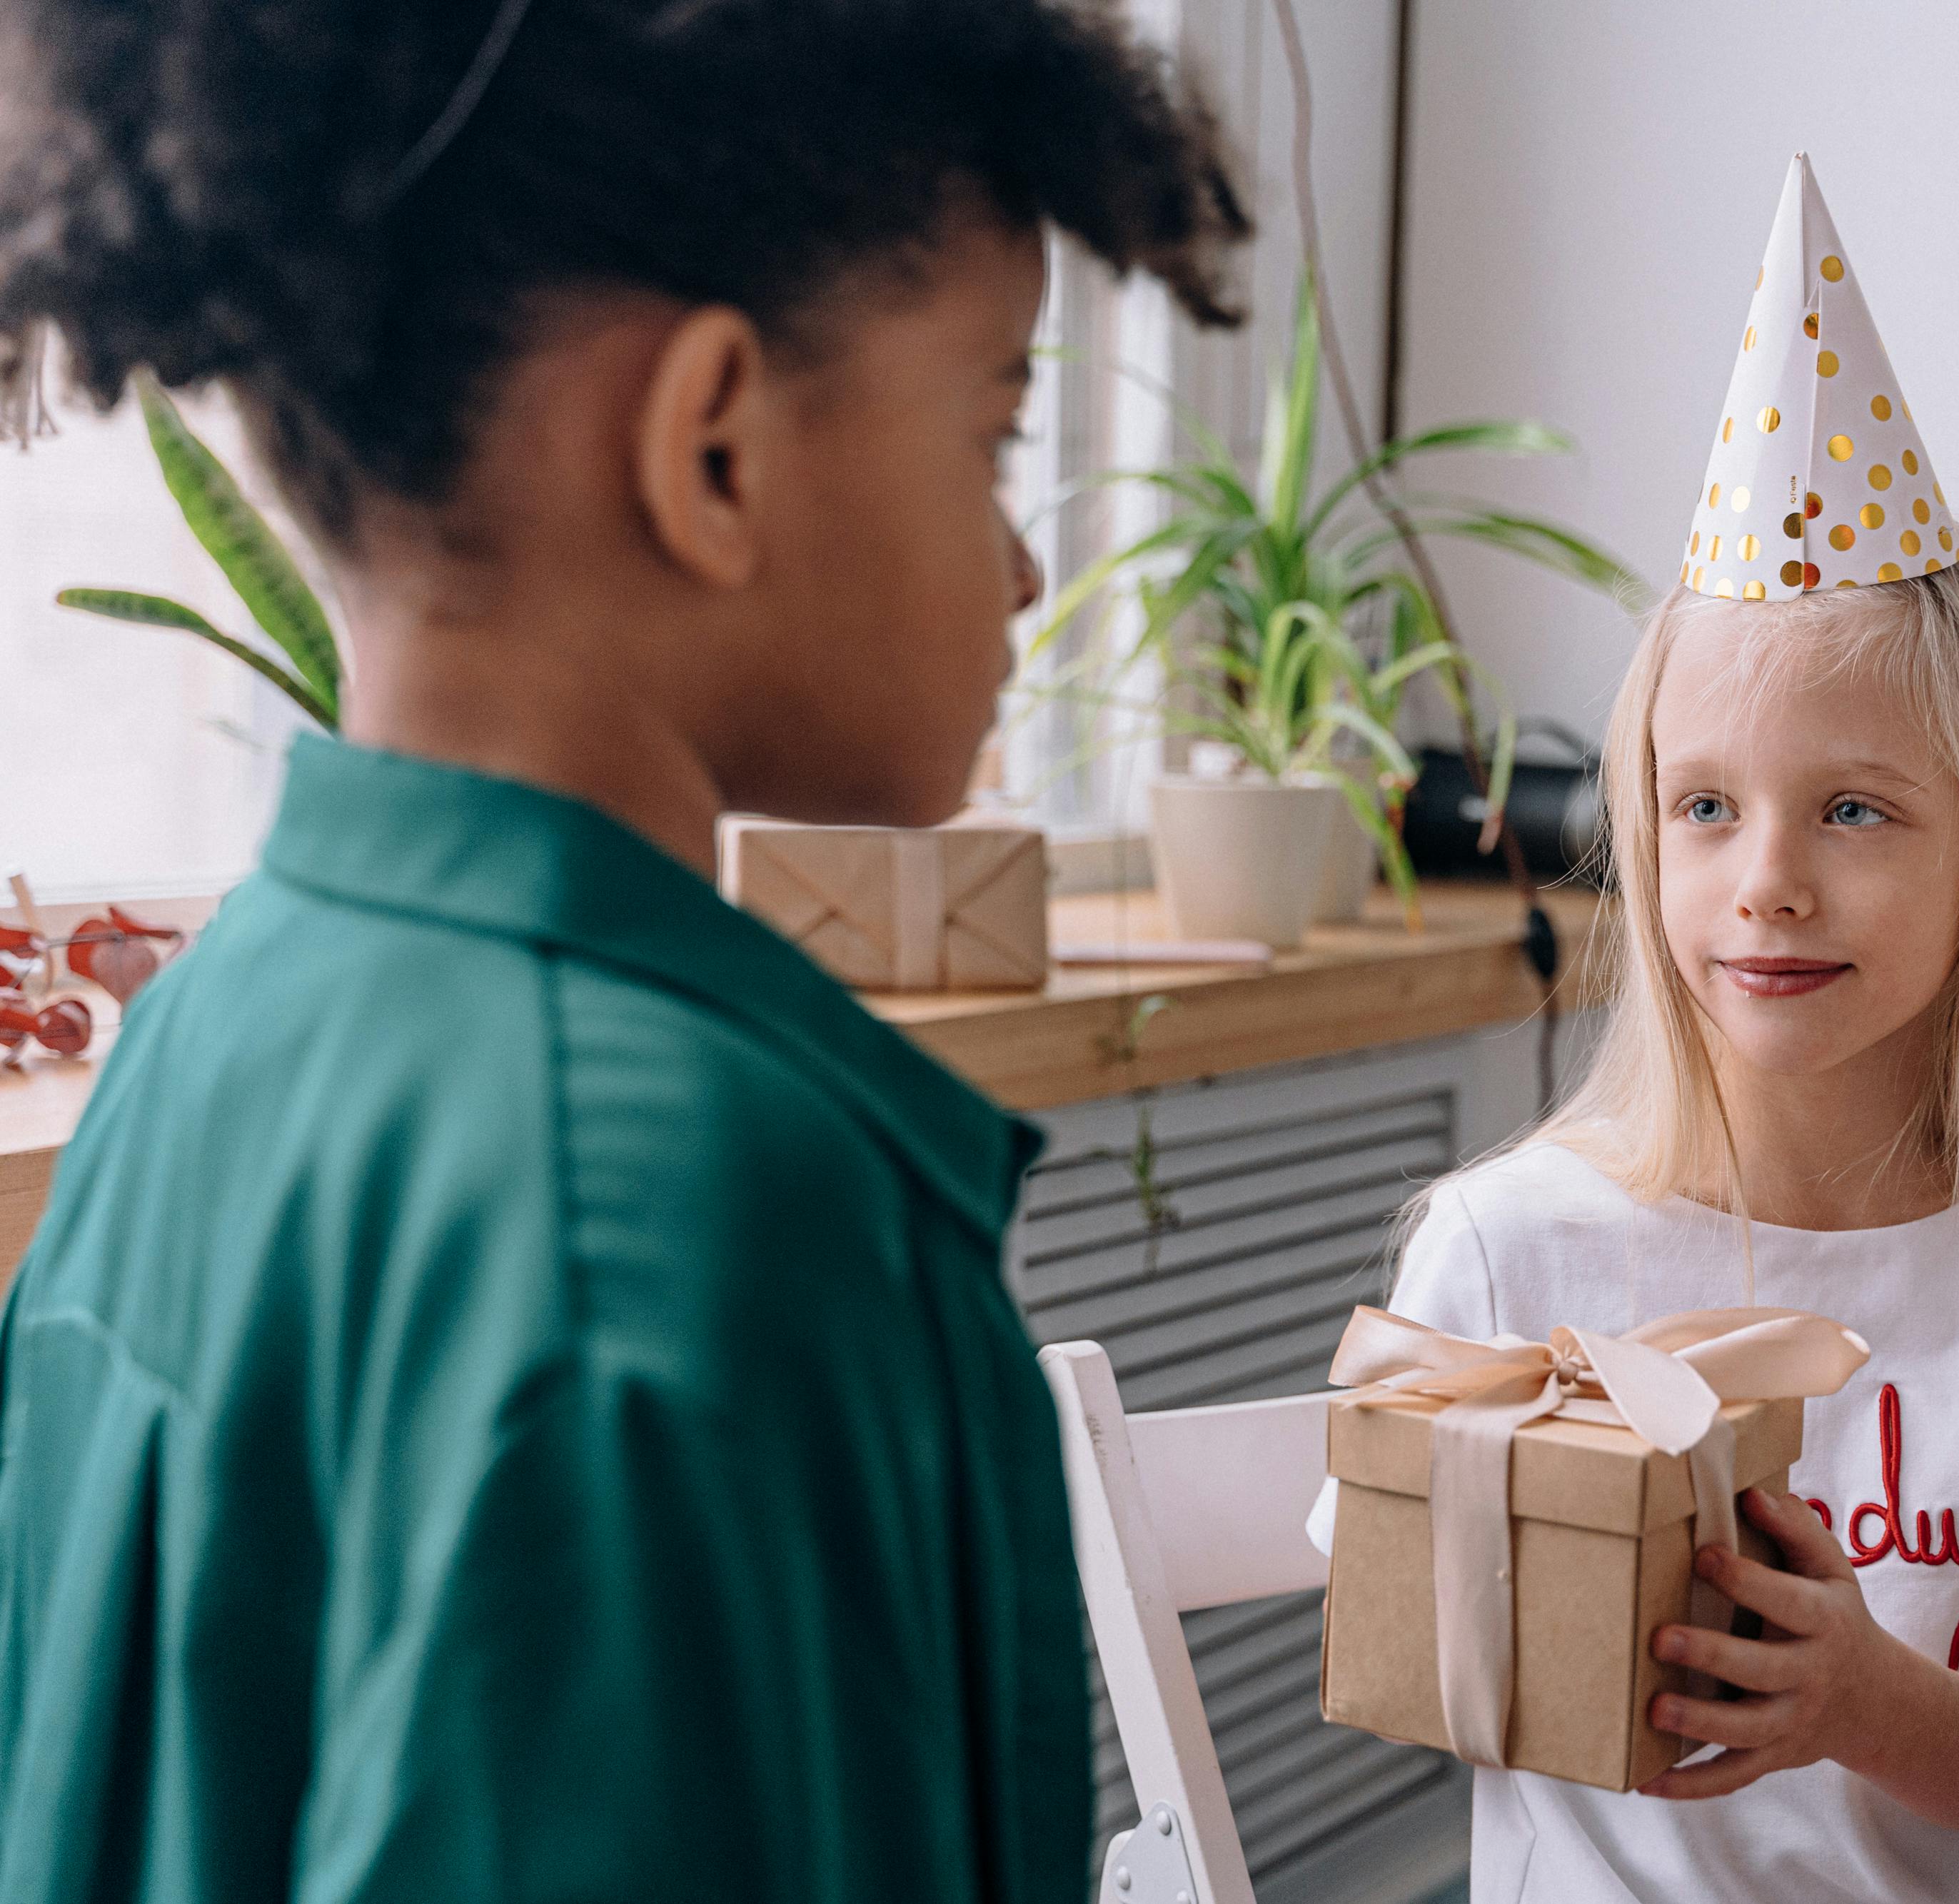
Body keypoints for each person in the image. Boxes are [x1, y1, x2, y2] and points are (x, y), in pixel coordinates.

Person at [0, 1, 1244, 1897]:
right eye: (992, 429)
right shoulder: (668, 1226)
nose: (1022, 570)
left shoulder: (207, 1035)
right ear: (713, 445)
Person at [1385, 157, 1959, 1901]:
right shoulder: (1501, 1247)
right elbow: (1422, 1670)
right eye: (1701, 809)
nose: (1763, 882)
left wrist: (1854, 1692)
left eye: (1854, 811)